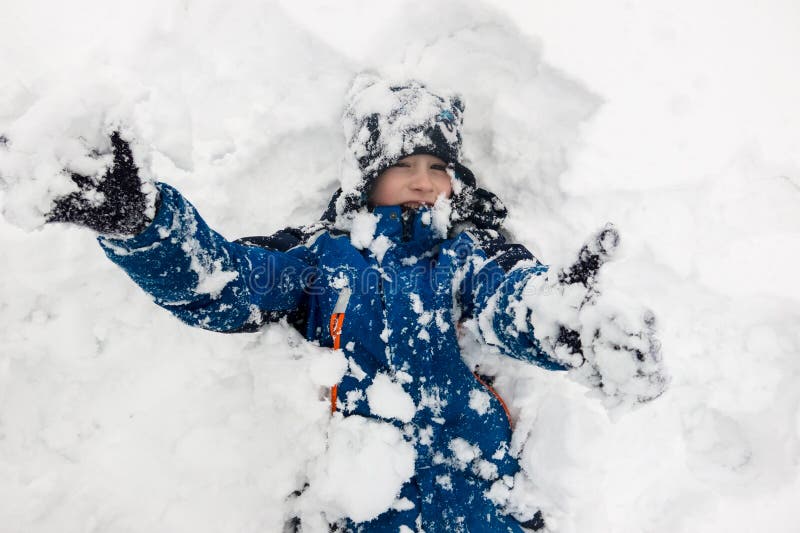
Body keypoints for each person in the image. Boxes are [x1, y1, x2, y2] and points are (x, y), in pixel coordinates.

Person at [45, 74, 667, 532]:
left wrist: (571, 324)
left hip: (482, 503)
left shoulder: (470, 256)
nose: (423, 179)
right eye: (403, 164)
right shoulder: (322, 260)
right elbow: (229, 283)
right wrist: (147, 230)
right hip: (361, 506)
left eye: (437, 165)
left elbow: (514, 301)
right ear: (367, 178)